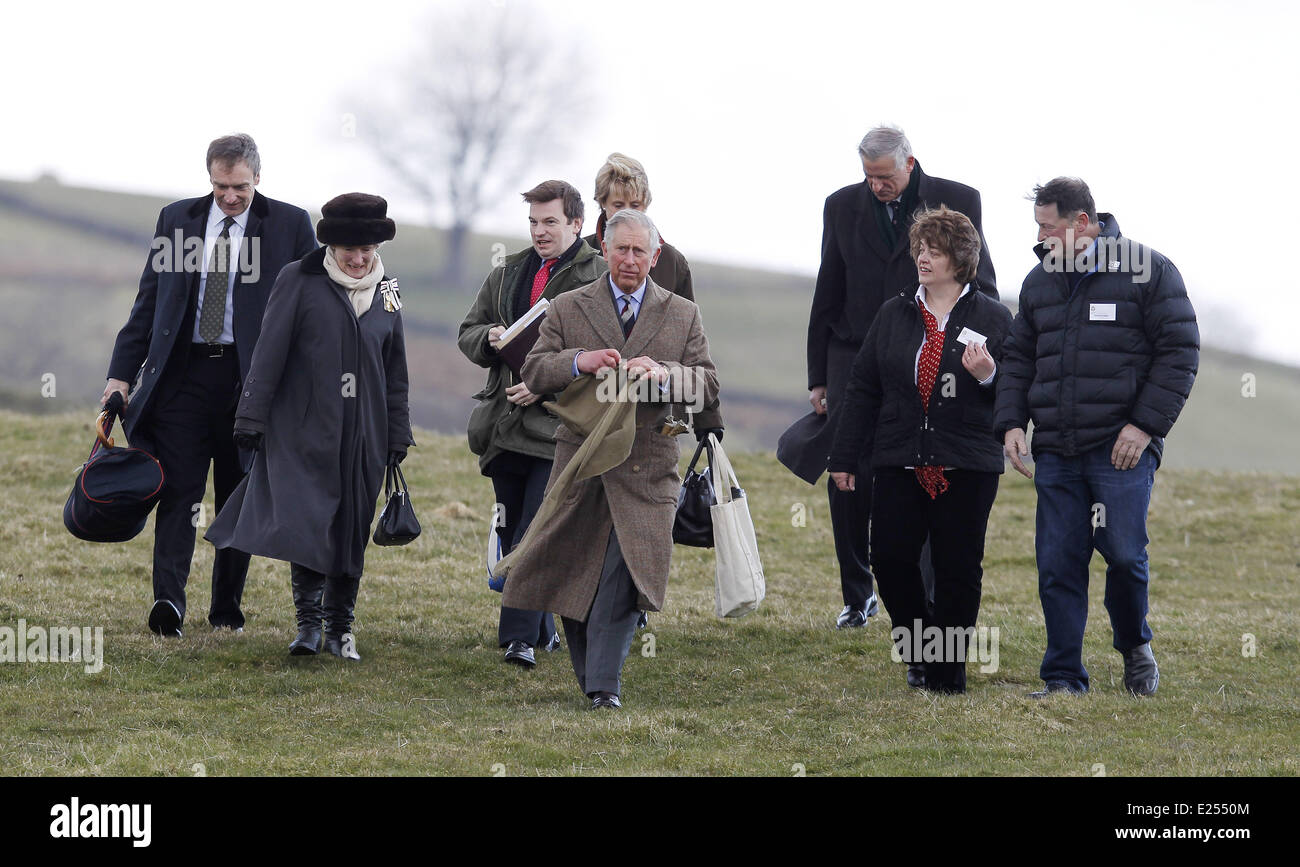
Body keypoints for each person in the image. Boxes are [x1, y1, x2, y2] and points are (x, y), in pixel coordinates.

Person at [501, 208, 719, 710]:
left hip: (649, 465)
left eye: (640, 251)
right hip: (582, 464)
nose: (629, 259)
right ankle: (594, 677)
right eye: (620, 249)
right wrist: (582, 361)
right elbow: (534, 370)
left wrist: (663, 374)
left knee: (626, 574)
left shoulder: (682, 313)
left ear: (655, 256)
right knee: (574, 572)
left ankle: (604, 687)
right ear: (605, 250)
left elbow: (707, 383)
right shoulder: (570, 306)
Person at [102, 133, 317, 637]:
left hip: (251, 383)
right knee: (178, 492)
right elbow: (148, 303)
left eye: (239, 186)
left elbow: (312, 308)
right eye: (220, 185)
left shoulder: (289, 225)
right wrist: (120, 374)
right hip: (183, 379)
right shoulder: (177, 220)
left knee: (237, 495)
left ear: (257, 178)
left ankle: (226, 610)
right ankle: (168, 604)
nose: (229, 197)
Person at [994, 177, 1198, 697]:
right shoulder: (1039, 282)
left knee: (1125, 556)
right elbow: (1018, 357)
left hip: (1121, 450)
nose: (1039, 237)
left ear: (1081, 223)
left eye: (1048, 226)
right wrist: (1012, 423)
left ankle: (1135, 647)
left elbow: (1179, 352)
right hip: (1057, 450)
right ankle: (1063, 676)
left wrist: (1144, 425)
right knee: (1057, 563)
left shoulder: (1149, 270)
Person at [806, 124, 997, 631]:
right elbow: (828, 285)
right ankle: (857, 592)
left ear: (909, 164)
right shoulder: (840, 205)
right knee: (848, 471)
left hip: (933, 344)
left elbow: (983, 283)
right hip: (854, 356)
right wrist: (818, 374)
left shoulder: (958, 200)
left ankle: (931, 597)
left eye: (885, 176)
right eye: (868, 176)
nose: (876, 185)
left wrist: (978, 355)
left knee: (929, 469)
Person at [206, 194, 413, 660]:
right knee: (306, 522)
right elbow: (268, 352)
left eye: (367, 251)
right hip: (303, 430)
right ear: (331, 248)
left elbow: (395, 370)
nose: (358, 260)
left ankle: (342, 628)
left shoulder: (388, 290)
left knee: (351, 527)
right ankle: (309, 625)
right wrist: (250, 418)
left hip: (367, 434)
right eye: (348, 252)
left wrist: (397, 434)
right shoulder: (298, 279)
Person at [828, 207, 1011, 693]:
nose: (923, 257)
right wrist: (844, 458)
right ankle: (919, 649)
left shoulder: (994, 317)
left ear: (962, 258)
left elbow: (1017, 392)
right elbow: (863, 388)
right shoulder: (894, 313)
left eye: (935, 249)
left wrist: (989, 375)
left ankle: (946, 676)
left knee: (956, 569)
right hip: (898, 458)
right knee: (889, 559)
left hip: (967, 465)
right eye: (919, 249)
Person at [458, 180, 608, 669]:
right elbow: (468, 331)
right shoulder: (508, 272)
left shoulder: (598, 277)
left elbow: (607, 355)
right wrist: (492, 337)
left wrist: (548, 384)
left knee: (533, 531)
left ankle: (517, 638)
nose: (540, 231)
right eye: (533, 222)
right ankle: (543, 630)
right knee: (510, 525)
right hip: (502, 426)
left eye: (550, 222)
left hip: (559, 430)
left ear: (577, 224)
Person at [582, 152, 724, 440]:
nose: (627, 212)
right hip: (588, 407)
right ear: (602, 205)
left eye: (636, 205)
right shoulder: (579, 257)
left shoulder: (671, 262)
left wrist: (708, 419)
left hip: (654, 412)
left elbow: (693, 345)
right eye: (618, 205)